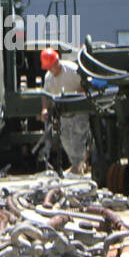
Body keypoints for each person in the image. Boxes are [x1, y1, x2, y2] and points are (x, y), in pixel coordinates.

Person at [40, 47, 89, 175]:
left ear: (57, 62)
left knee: (79, 134)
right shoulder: (49, 78)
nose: (51, 69)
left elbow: (86, 85)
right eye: (49, 67)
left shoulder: (72, 70)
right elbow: (45, 94)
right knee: (66, 137)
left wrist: (77, 94)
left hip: (79, 107)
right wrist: (45, 108)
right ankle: (76, 164)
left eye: (52, 66)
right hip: (64, 110)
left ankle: (79, 164)